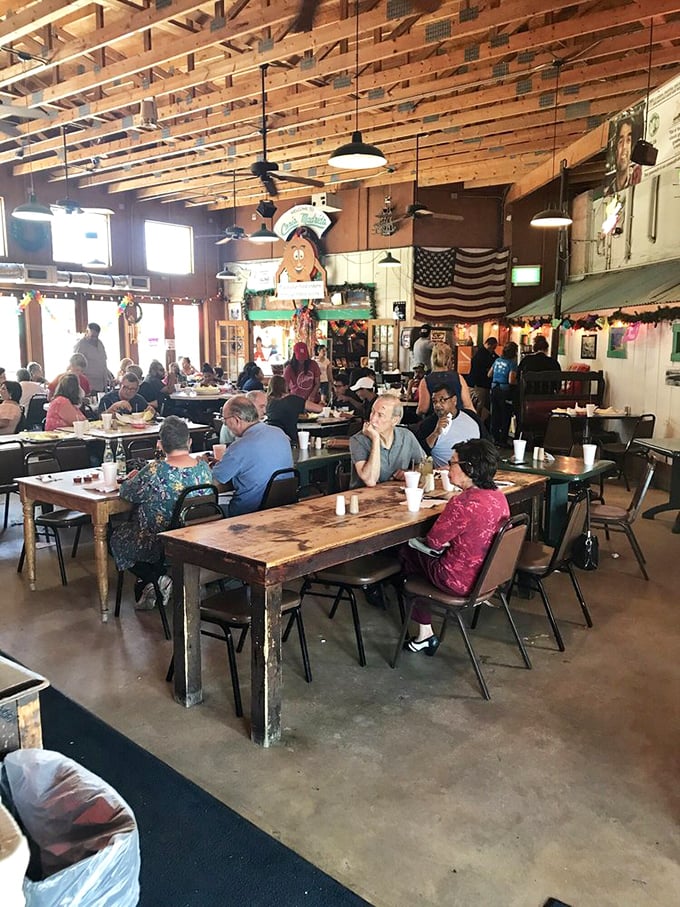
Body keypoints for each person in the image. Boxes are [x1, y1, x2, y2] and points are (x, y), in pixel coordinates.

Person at [399, 439, 510, 654]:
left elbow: (433, 541)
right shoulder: (499, 498)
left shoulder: (463, 503)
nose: (448, 468)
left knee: (406, 552)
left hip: (458, 580)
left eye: (452, 463)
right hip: (488, 577)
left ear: (468, 468)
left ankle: (424, 633)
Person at [110, 416, 214, 609]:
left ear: (160, 444)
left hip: (159, 541)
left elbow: (127, 493)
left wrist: (131, 477)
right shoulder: (203, 468)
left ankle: (158, 578)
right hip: (197, 538)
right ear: (189, 442)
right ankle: (170, 578)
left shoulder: (155, 470)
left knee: (115, 537)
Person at [213, 395, 293, 516]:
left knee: (207, 510)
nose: (226, 425)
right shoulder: (280, 433)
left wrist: (203, 465)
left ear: (236, 420)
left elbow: (215, 480)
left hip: (247, 512)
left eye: (225, 420)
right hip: (281, 506)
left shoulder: (239, 447)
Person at [350, 394, 425, 487]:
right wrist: (375, 439)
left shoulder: (406, 436)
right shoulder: (358, 440)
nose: (373, 419)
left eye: (380, 415)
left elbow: (425, 464)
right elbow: (370, 480)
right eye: (372, 412)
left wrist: (410, 472)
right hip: (363, 498)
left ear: (395, 420)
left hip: (397, 495)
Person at [412, 383, 482, 467]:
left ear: (454, 400)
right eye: (434, 401)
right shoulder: (430, 424)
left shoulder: (471, 416)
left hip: (474, 470)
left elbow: (486, 443)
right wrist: (435, 433)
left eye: (442, 400)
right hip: (445, 474)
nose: (437, 405)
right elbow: (419, 452)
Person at [416, 342, 474, 417]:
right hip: (457, 421)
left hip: (434, 422)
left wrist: (417, 412)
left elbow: (423, 409)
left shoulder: (426, 381)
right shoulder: (459, 378)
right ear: (449, 359)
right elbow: (468, 405)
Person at [266, 375, 323, 444]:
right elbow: (319, 409)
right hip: (290, 440)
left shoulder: (267, 402)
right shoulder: (292, 400)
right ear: (285, 386)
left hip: (270, 438)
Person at [489, 341, 518, 447]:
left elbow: (489, 374)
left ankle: (494, 437)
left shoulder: (497, 360)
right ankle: (503, 440)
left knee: (495, 414)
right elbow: (511, 380)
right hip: (504, 390)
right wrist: (519, 382)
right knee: (505, 415)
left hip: (494, 388)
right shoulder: (512, 363)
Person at [605, 115, 642, 197]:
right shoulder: (608, 192)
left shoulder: (637, 183)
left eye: (628, 140)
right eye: (621, 141)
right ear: (615, 149)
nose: (624, 146)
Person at [468, 337, 498, 421]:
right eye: (493, 347)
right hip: (480, 384)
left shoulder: (481, 353)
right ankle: (479, 422)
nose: (493, 350)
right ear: (488, 344)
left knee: (481, 405)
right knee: (480, 405)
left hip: (478, 383)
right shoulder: (482, 355)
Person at [73, 323, 109, 393]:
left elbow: (103, 363)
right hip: (89, 386)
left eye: (96, 336)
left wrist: (109, 377)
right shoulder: (81, 345)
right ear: (87, 332)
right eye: (92, 336)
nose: (94, 339)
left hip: (102, 385)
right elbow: (76, 366)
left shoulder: (100, 343)